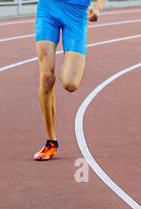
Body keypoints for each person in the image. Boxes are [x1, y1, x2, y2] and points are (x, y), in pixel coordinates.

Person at [33, 0, 107, 160]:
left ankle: (67, 66)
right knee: (46, 76)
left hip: (76, 13)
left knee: (70, 84)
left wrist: (97, 7)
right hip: (48, 8)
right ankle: (51, 141)